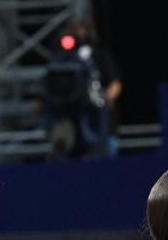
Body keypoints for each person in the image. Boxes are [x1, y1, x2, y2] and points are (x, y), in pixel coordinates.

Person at [42, 18, 121, 158]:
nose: (75, 33)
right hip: (69, 122)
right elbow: (50, 82)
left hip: (96, 119)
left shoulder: (98, 56)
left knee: (101, 153)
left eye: (79, 29)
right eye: (72, 29)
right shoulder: (61, 58)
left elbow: (115, 83)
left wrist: (108, 98)